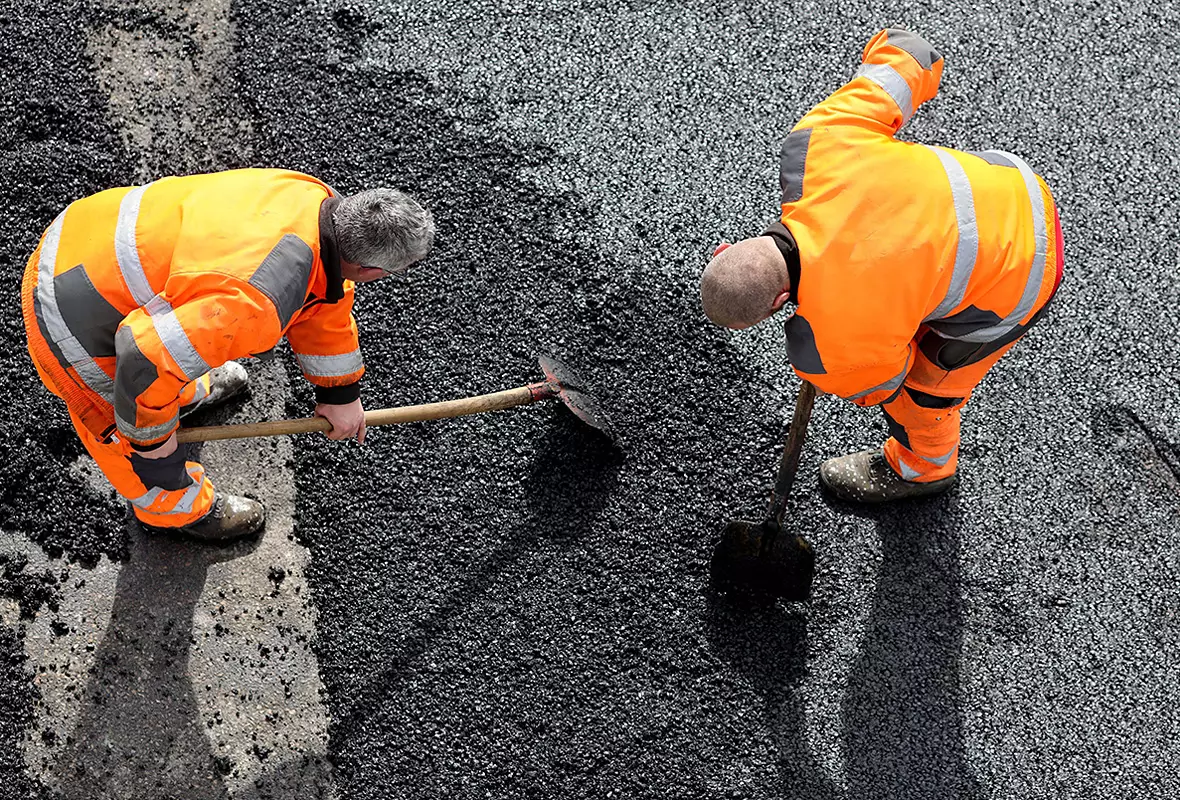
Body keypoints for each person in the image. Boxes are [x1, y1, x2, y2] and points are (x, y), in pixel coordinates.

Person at [700, 28, 1063, 503]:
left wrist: (837, 346)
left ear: (779, 305)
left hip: (1024, 269)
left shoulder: (833, 347)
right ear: (726, 248)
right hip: (1011, 185)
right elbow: (906, 59)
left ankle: (923, 471)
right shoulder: (814, 147)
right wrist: (904, 51)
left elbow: (886, 382)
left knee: (924, 390)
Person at [22, 168, 434, 541]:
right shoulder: (257, 302)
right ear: (370, 270)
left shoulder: (313, 201)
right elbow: (143, 357)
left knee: (178, 352)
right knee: (130, 422)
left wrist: (340, 395)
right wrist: (152, 447)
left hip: (89, 233)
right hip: (70, 315)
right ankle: (174, 510)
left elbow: (324, 299)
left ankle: (179, 396)